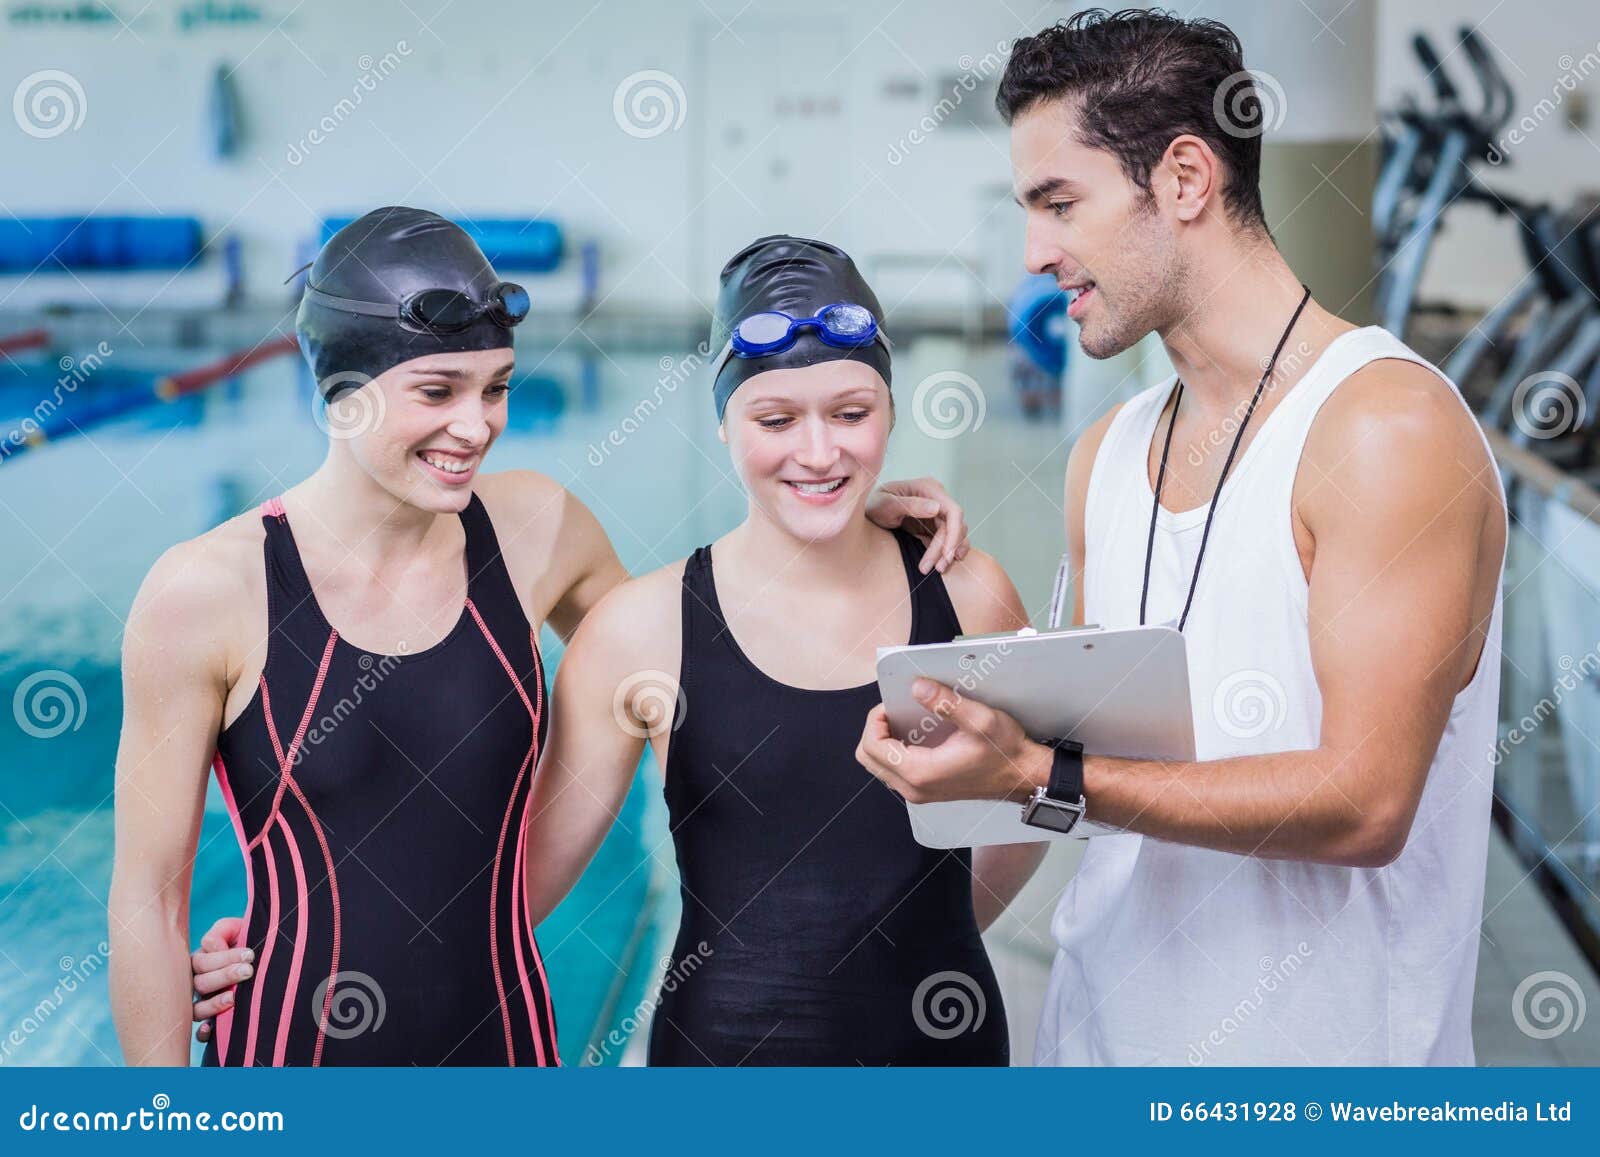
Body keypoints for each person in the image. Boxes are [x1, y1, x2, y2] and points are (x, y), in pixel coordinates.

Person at [110, 208, 969, 1067]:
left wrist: (845, 523)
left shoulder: (536, 530)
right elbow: (147, 899)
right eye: (438, 391)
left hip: (511, 1053)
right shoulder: (206, 593)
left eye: (497, 387)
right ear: (341, 392)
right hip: (289, 1052)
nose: (477, 425)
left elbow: (712, 654)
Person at [856, 10, 1508, 1066]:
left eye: (1059, 203)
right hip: (1095, 1048)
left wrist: (1036, 773)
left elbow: (1366, 800)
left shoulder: (1383, 428)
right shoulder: (1106, 453)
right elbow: (1108, 751)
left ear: (1186, 179)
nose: (1034, 254)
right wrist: (948, 595)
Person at [522, 235, 1042, 1065]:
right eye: (775, 419)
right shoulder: (641, 629)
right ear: (723, 423)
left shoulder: (969, 596)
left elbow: (1029, 811)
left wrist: (909, 935)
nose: (818, 452)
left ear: (892, 414)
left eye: (850, 413)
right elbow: (514, 893)